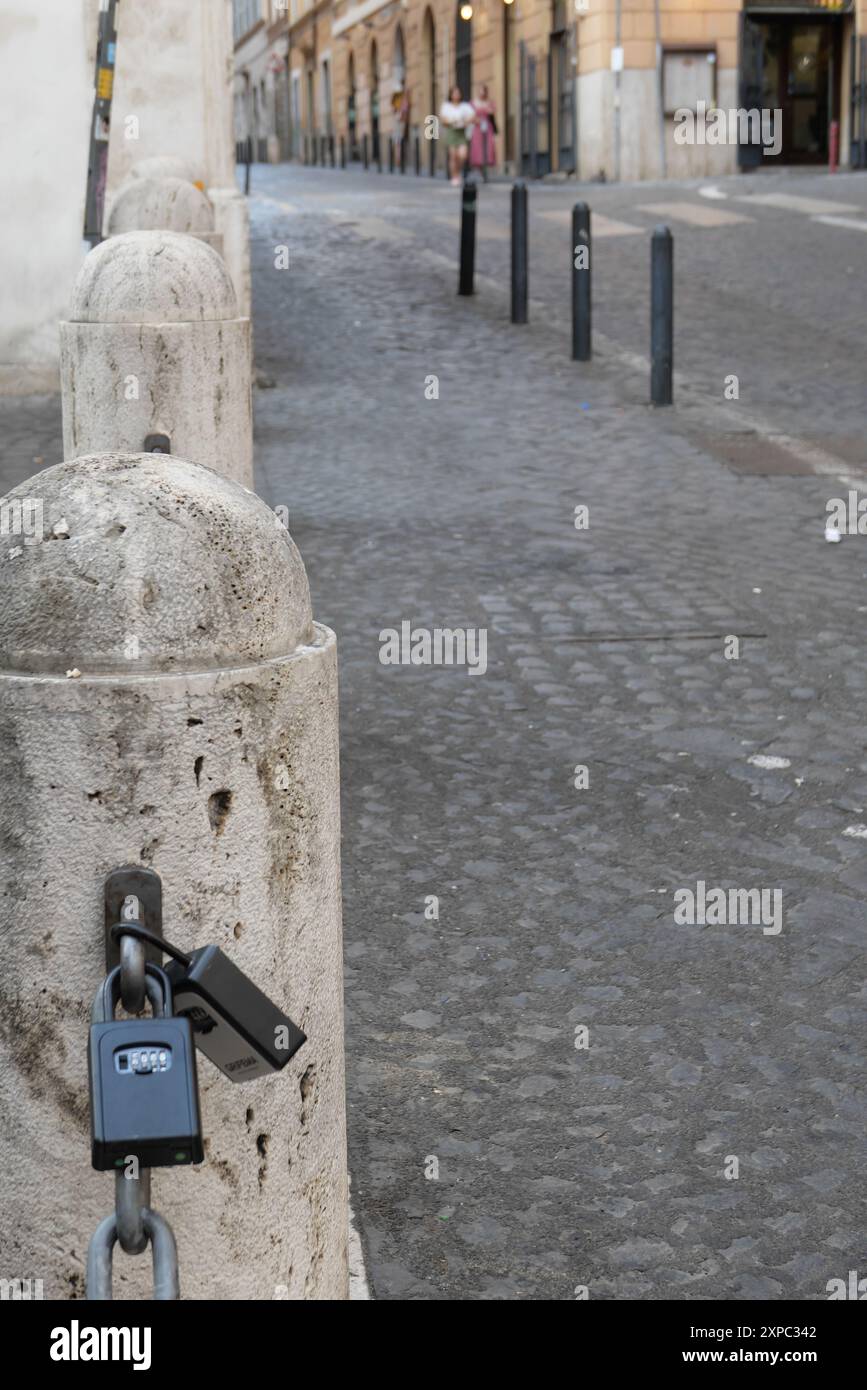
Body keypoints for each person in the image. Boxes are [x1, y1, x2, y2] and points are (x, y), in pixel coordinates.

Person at [440, 85, 475, 185]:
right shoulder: (446, 106)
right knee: (453, 156)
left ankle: (458, 172)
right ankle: (454, 176)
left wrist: (466, 121)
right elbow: (443, 119)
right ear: (451, 95)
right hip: (451, 131)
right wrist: (452, 121)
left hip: (461, 132)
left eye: (458, 93)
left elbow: (473, 116)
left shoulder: (465, 106)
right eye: (454, 93)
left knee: (463, 155)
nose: (456, 95)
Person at [469, 84, 497, 181]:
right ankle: (481, 170)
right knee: (478, 149)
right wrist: (476, 119)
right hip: (477, 129)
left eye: (484, 91)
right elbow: (470, 116)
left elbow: (493, 113)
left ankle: (485, 171)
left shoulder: (490, 102)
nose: (482, 93)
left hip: (487, 128)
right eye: (480, 91)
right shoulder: (473, 103)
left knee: (488, 148)